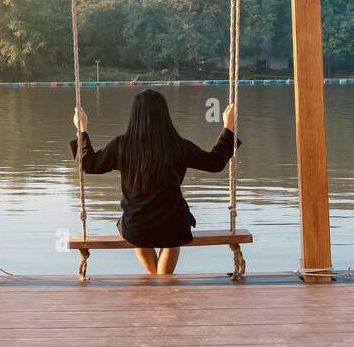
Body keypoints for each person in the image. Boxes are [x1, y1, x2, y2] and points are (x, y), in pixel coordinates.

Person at [70, 89, 239, 275]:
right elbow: (214, 162)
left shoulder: (122, 146)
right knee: (172, 239)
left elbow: (89, 164)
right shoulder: (178, 146)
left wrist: (82, 130)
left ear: (134, 116)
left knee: (138, 232)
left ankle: (158, 282)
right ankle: (161, 282)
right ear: (164, 116)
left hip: (136, 226)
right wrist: (228, 127)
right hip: (173, 225)